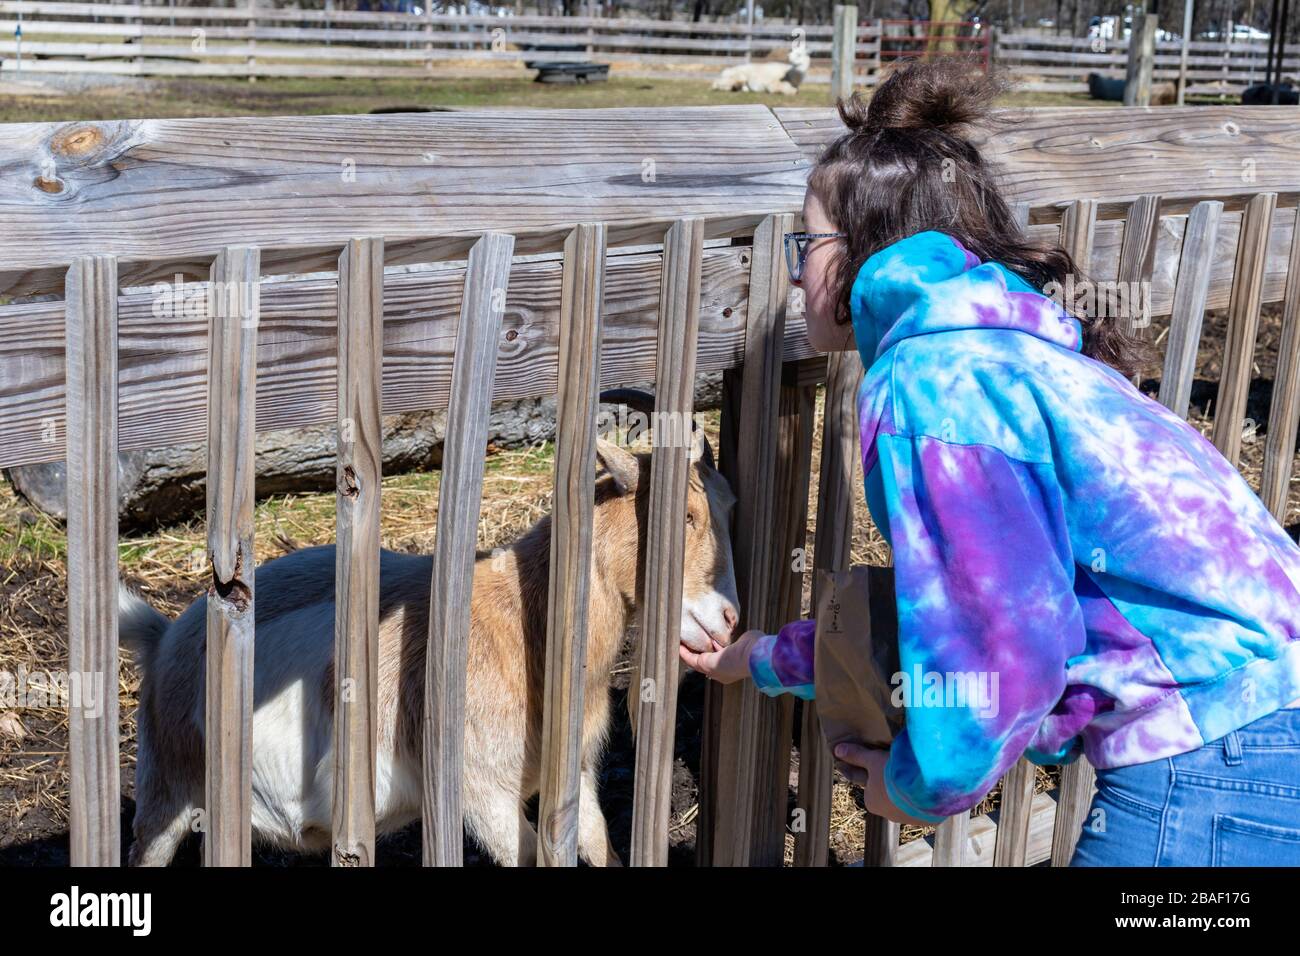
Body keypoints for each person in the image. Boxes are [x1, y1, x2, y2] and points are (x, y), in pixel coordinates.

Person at [680, 59, 1300, 865]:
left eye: (810, 242)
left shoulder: (933, 386)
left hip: (1208, 766)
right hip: (1257, 733)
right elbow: (957, 607)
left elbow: (1001, 646)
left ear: (868, 244)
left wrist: (914, 787)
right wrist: (759, 659)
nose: (797, 271)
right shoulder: (1006, 352)